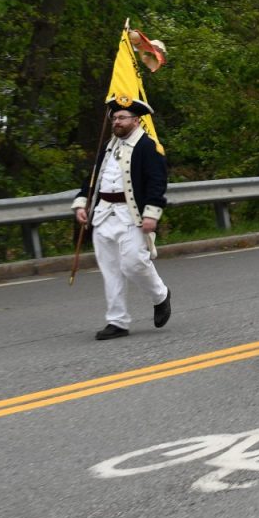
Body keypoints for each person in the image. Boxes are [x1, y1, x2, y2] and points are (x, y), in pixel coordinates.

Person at [73, 96, 173, 339]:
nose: (116, 122)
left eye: (122, 118)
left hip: (131, 215)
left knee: (133, 263)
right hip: (103, 214)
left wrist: (151, 213)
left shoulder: (148, 147)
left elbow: (157, 182)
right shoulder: (107, 147)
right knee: (110, 270)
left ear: (136, 121)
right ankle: (117, 321)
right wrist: (82, 203)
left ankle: (160, 295)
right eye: (114, 117)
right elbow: (93, 179)